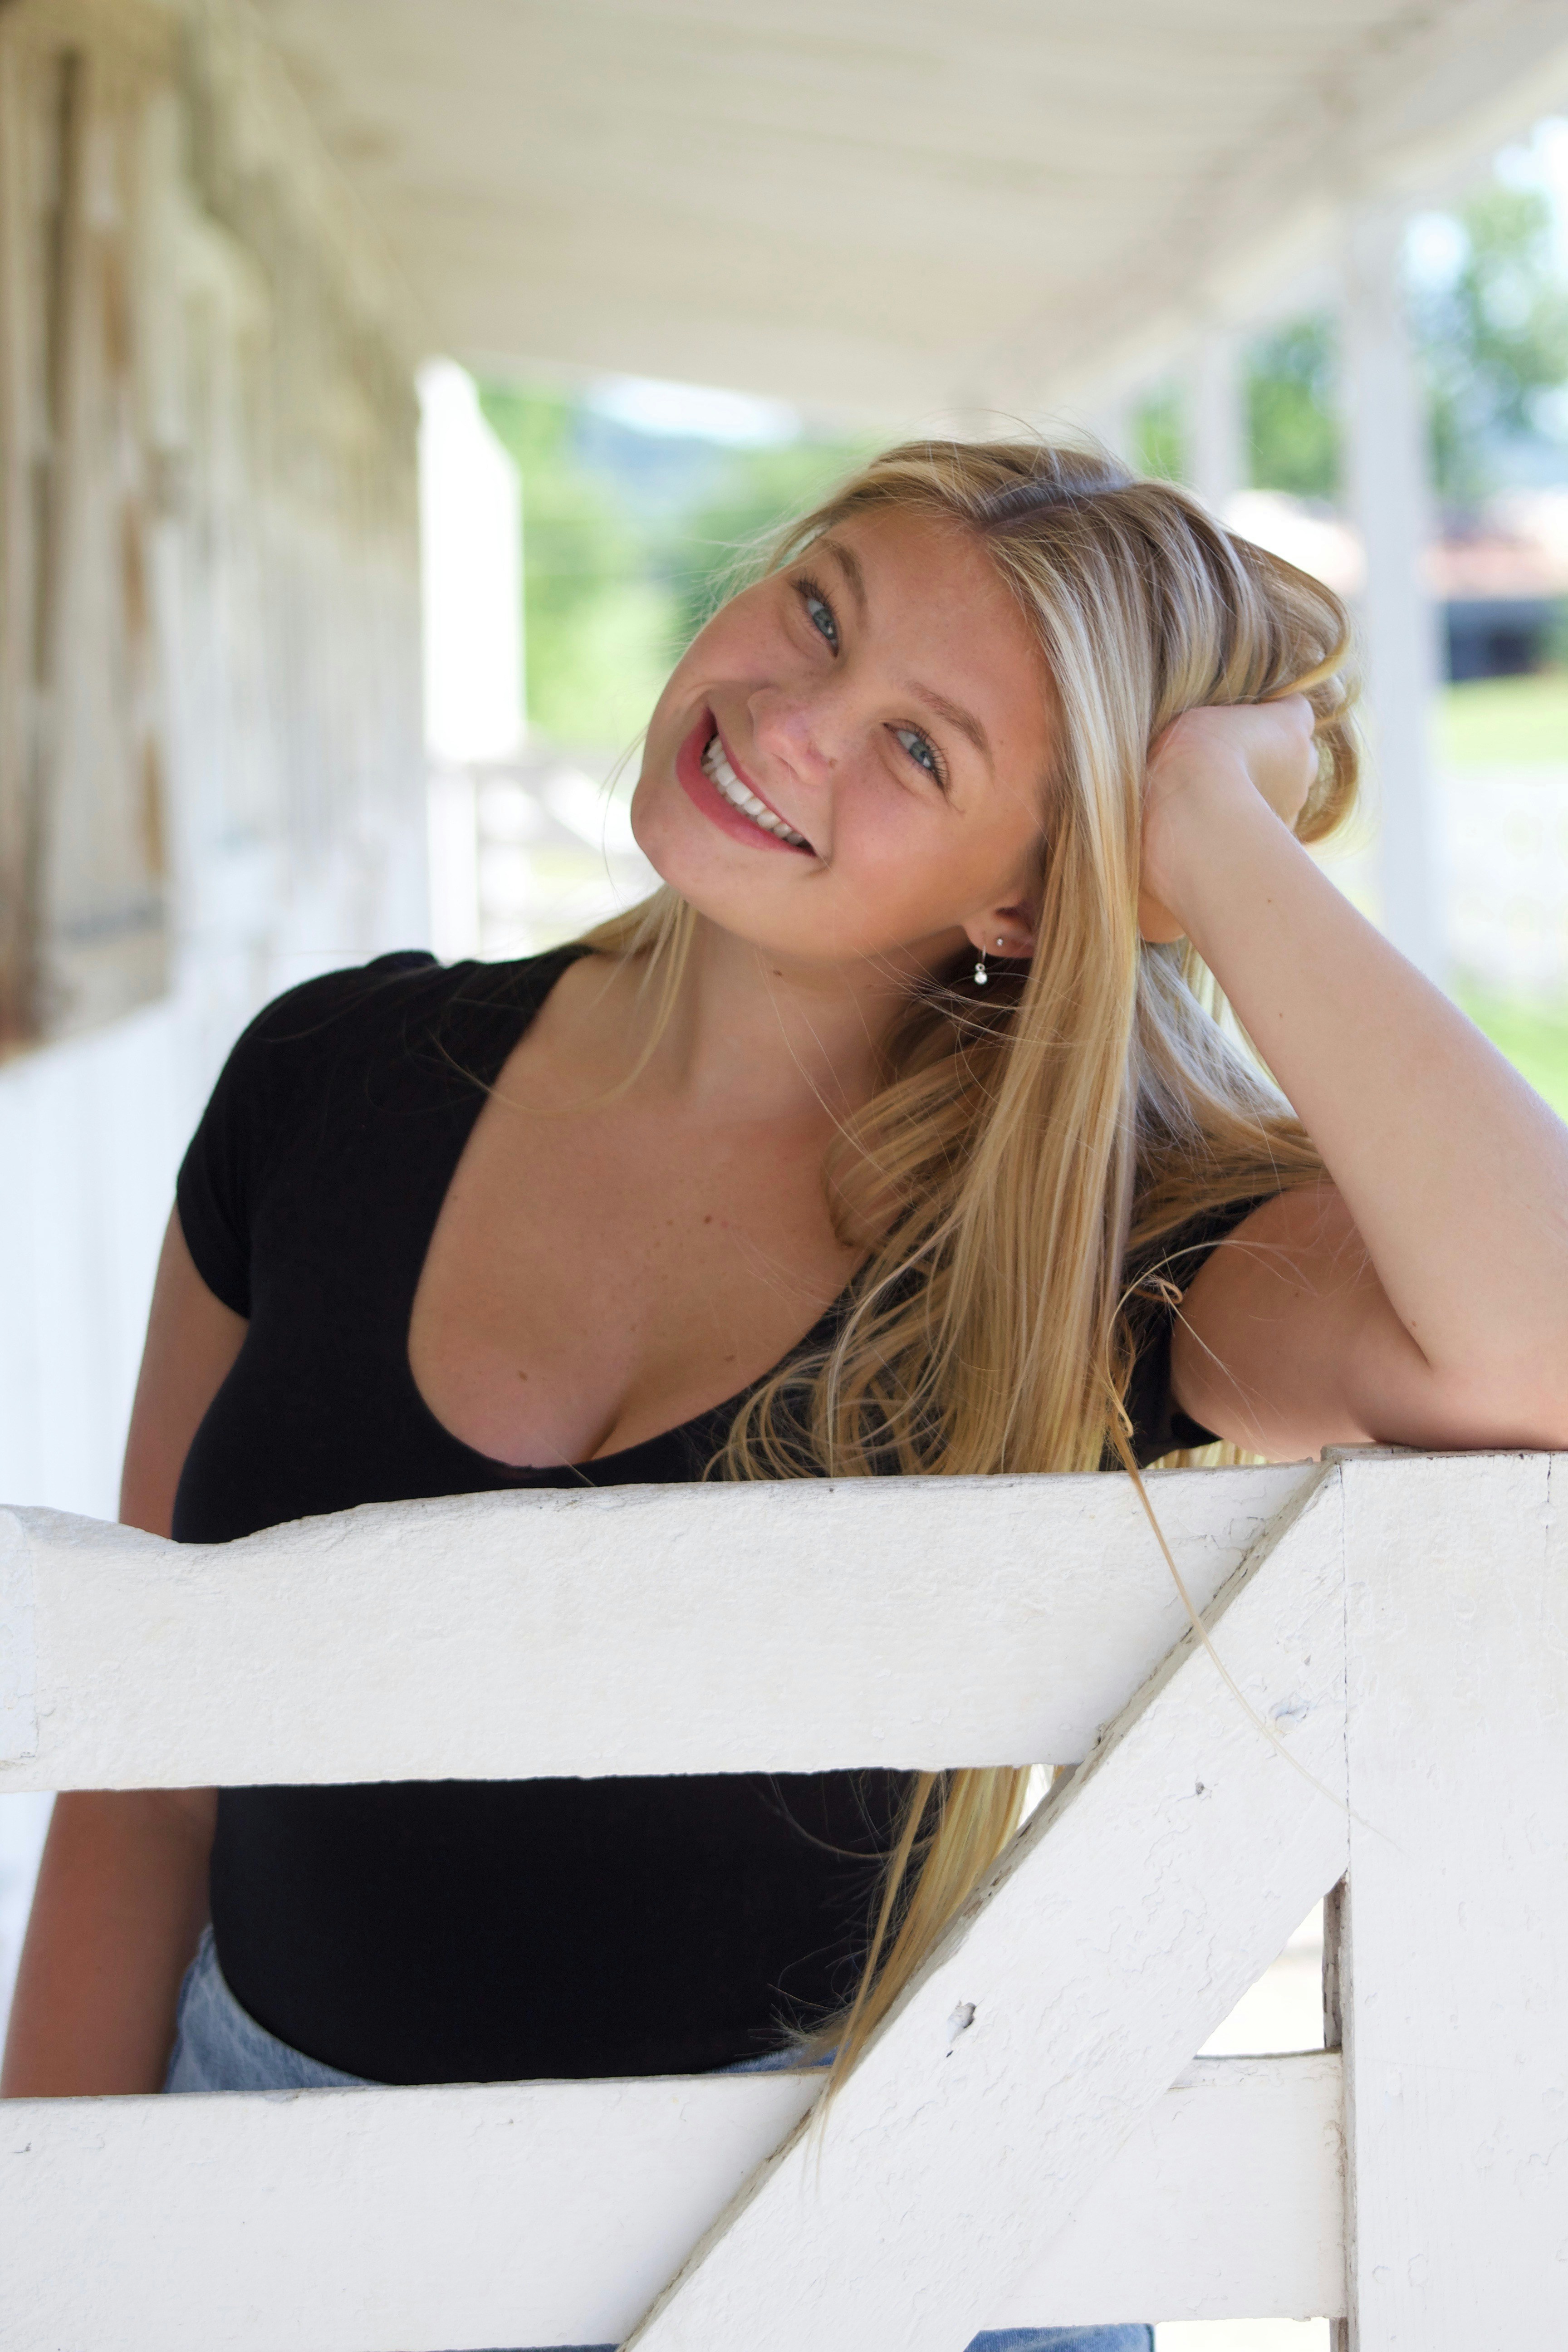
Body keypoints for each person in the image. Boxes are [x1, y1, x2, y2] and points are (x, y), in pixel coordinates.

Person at [7, 440, 1568, 2352]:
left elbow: (1541, 1342)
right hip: (267, 2206)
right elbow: (144, 1770)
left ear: (1034, 891)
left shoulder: (1101, 1237)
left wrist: (1213, 834)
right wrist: (50, 2238)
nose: (793, 719)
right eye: (819, 609)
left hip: (867, 2257)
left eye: (924, 749)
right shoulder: (326, 1075)